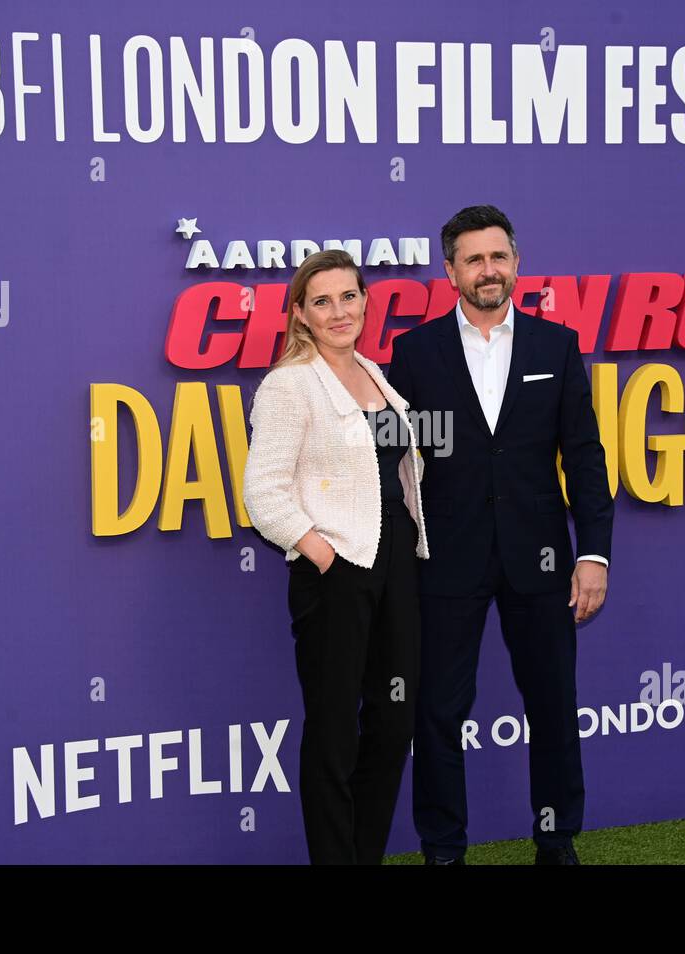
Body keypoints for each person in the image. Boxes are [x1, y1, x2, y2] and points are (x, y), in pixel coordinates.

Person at [386, 205, 614, 865]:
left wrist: (593, 553)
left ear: (515, 262)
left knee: (553, 704)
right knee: (436, 712)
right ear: (451, 270)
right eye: (473, 259)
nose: (488, 270)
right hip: (445, 560)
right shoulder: (414, 352)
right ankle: (443, 848)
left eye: (498, 257)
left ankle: (555, 839)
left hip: (540, 559)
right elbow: (397, 455)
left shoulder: (555, 345)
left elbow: (585, 456)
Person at [242, 249, 430, 864]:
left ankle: (362, 854)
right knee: (332, 733)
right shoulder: (289, 385)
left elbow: (399, 472)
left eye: (348, 296)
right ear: (299, 314)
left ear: (366, 301)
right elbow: (263, 494)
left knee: (394, 719)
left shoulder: (377, 375)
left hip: (398, 565)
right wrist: (324, 554)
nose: (338, 311)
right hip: (337, 575)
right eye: (321, 301)